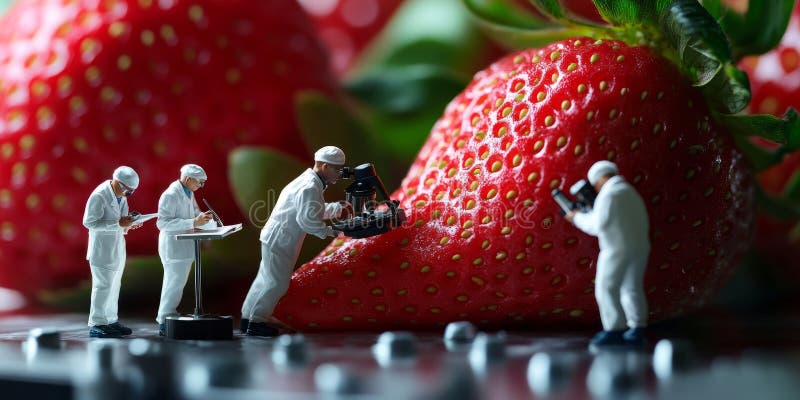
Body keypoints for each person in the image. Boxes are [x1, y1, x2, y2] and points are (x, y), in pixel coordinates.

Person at [240, 146, 348, 336]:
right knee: (277, 283)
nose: (339, 174)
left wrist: (336, 208)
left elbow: (312, 210)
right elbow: (307, 221)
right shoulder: (310, 186)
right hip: (281, 240)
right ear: (323, 166)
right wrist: (332, 230)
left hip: (276, 237)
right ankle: (256, 322)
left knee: (264, 279)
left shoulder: (309, 182)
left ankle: (248, 317)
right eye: (336, 169)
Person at [566, 160, 650, 347]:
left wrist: (577, 217)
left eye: (595, 184)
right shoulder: (630, 192)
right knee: (632, 288)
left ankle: (614, 330)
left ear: (601, 179)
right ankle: (637, 328)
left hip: (616, 249)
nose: (595, 188)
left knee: (606, 288)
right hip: (639, 247)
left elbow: (597, 225)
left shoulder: (609, 194)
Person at [155, 164, 215, 335]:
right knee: (172, 283)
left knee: (178, 284)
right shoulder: (170, 195)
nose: (200, 186)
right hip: (174, 247)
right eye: (199, 183)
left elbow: (194, 212)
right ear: (188, 179)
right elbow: (163, 223)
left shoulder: (189, 193)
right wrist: (193, 222)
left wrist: (204, 219)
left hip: (185, 246)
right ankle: (164, 319)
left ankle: (169, 314)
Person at [82, 166, 142, 338]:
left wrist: (130, 223)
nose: (128, 195)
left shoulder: (121, 197)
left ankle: (110, 320)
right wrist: (119, 224)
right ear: (117, 182)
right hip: (101, 249)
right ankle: (97, 323)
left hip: (116, 247)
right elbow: (89, 222)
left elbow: (121, 221)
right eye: (127, 191)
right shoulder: (99, 195)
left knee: (115, 286)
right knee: (102, 286)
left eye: (131, 192)